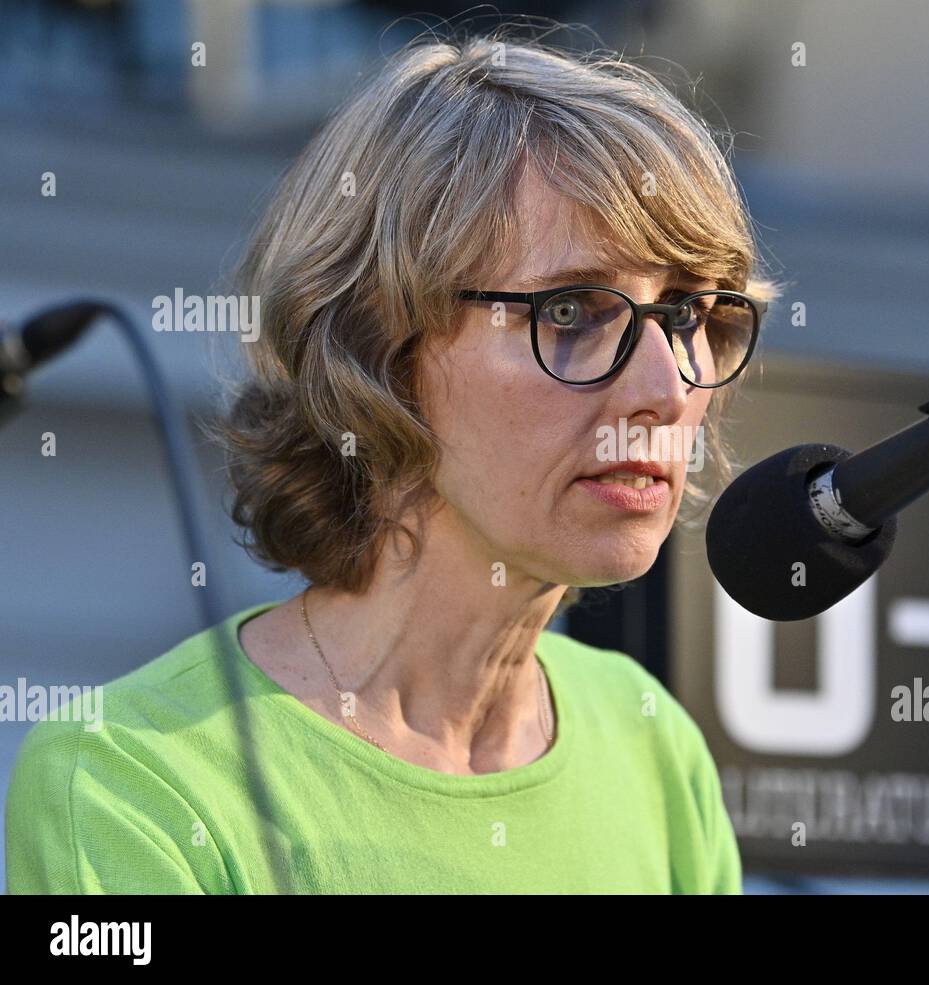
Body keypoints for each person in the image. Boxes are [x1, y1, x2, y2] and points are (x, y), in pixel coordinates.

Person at [5, 29, 777, 894]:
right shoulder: (134, 781)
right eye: (570, 310)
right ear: (378, 347)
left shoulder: (652, 746)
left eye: (691, 314)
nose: (667, 388)